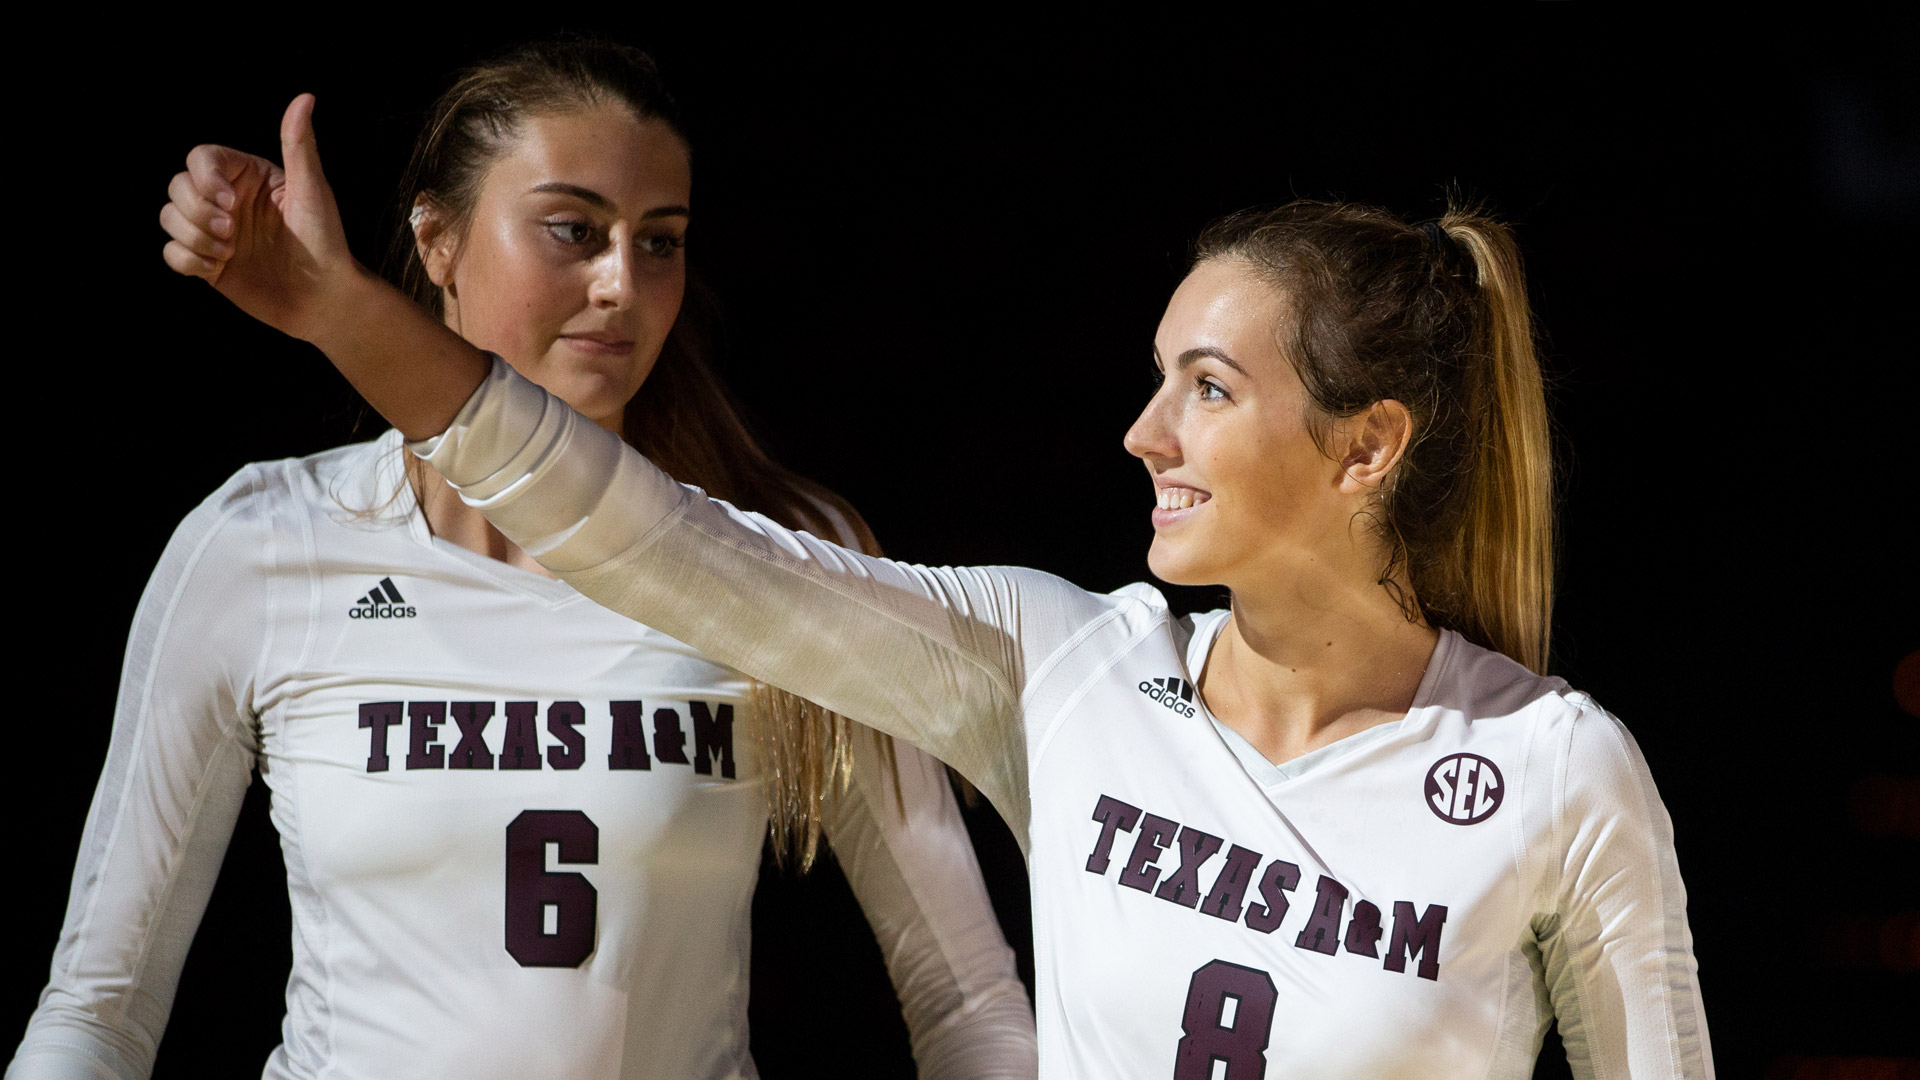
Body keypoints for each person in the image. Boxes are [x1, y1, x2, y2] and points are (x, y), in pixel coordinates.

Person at [146, 87, 1715, 1078]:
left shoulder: (1556, 772)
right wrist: (343, 316)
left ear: (1369, 447)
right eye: (1156, 377)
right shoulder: (1064, 662)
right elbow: (656, 538)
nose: (1145, 432)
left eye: (1212, 390)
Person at [11, 41, 1037, 1080]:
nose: (620, 283)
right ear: (438, 240)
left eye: (662, 242)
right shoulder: (267, 539)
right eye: (573, 230)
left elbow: (969, 1005)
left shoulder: (779, 553)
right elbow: (99, 1008)